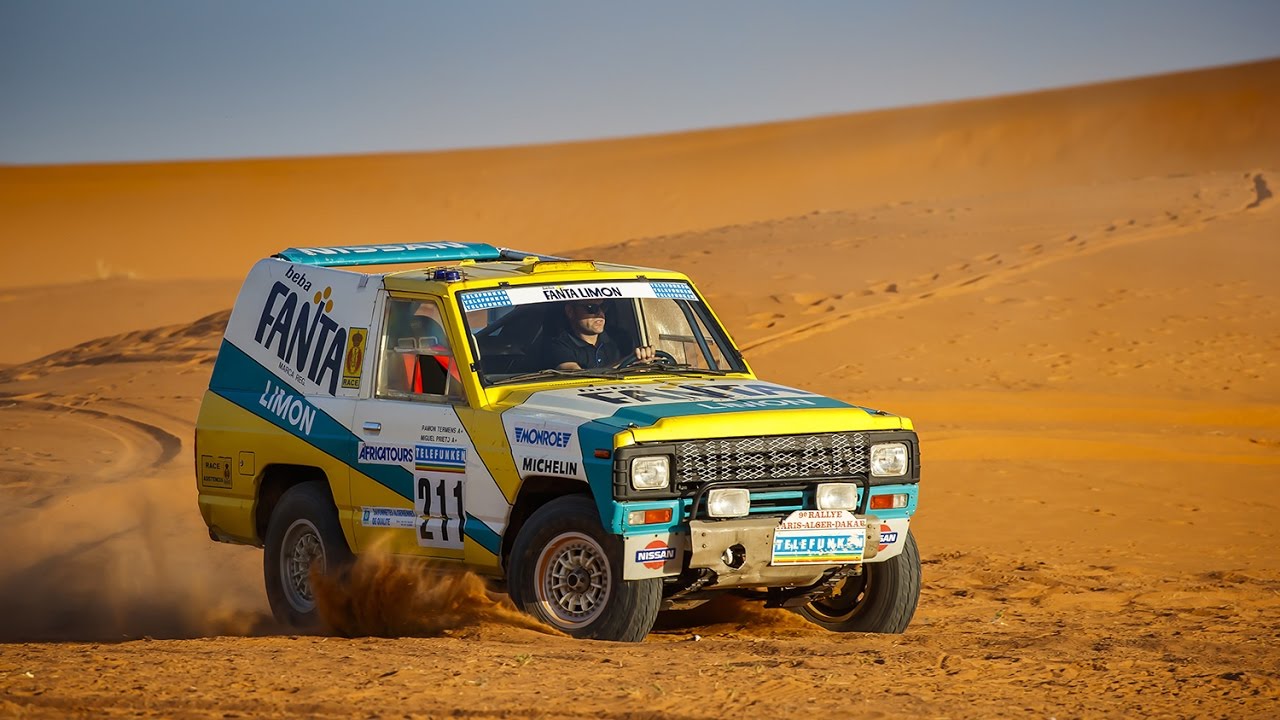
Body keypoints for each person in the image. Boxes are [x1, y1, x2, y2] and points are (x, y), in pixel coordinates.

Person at [545, 300, 655, 370]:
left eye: (604, 306)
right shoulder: (558, 345)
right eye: (591, 308)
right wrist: (627, 363)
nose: (600, 314)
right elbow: (576, 376)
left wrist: (644, 360)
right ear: (570, 311)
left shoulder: (621, 338)